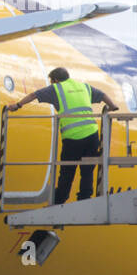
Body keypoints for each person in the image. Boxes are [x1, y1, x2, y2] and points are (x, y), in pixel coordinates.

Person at [10, 67, 119, 204]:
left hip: (73, 137)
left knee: (67, 171)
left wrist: (18, 105)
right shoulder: (83, 86)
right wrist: (113, 106)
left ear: (55, 80)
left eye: (51, 81)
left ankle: (60, 200)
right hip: (92, 134)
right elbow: (102, 95)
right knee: (87, 171)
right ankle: (84, 200)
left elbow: (33, 95)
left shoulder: (56, 88)